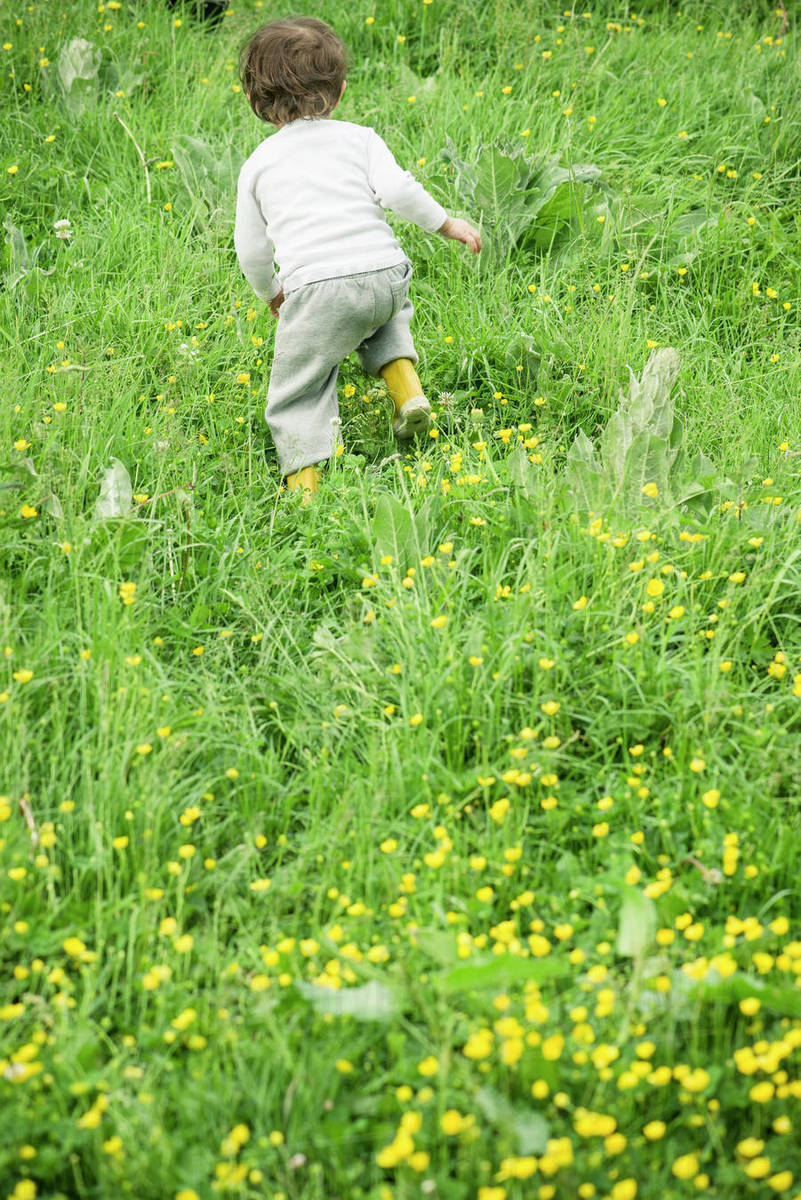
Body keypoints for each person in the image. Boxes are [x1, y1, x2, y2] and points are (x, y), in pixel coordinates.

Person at [234, 16, 481, 497]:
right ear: (340, 91)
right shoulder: (360, 138)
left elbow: (251, 250)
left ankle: (306, 488)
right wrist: (447, 224)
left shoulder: (259, 164)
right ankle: (408, 391)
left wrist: (273, 292)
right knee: (379, 317)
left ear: (255, 101)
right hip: (385, 274)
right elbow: (397, 191)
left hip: (316, 289)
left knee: (301, 385)